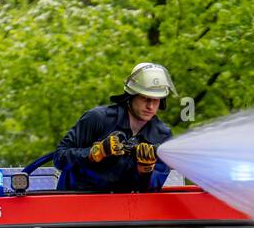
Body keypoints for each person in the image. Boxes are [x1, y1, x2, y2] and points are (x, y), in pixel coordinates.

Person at [54, 63, 175, 192]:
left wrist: (145, 171)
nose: (150, 106)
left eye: (156, 100)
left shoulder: (162, 135)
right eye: (145, 98)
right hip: (75, 204)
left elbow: (153, 189)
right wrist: (96, 152)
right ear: (131, 95)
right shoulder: (97, 118)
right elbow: (60, 158)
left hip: (125, 208)